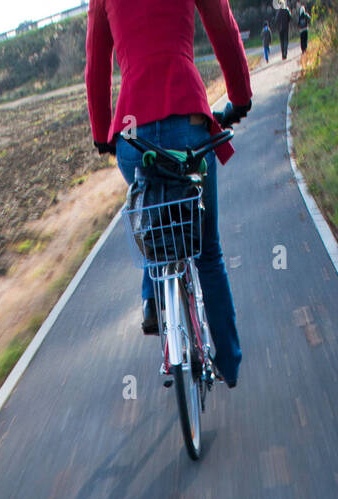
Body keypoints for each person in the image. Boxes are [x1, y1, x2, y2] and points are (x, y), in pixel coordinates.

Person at [86, 0, 252, 389]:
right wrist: (239, 96)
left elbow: (96, 63)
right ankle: (228, 361)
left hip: (132, 133)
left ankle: (151, 297)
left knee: (153, 213)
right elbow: (223, 26)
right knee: (206, 248)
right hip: (188, 121)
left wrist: (100, 133)